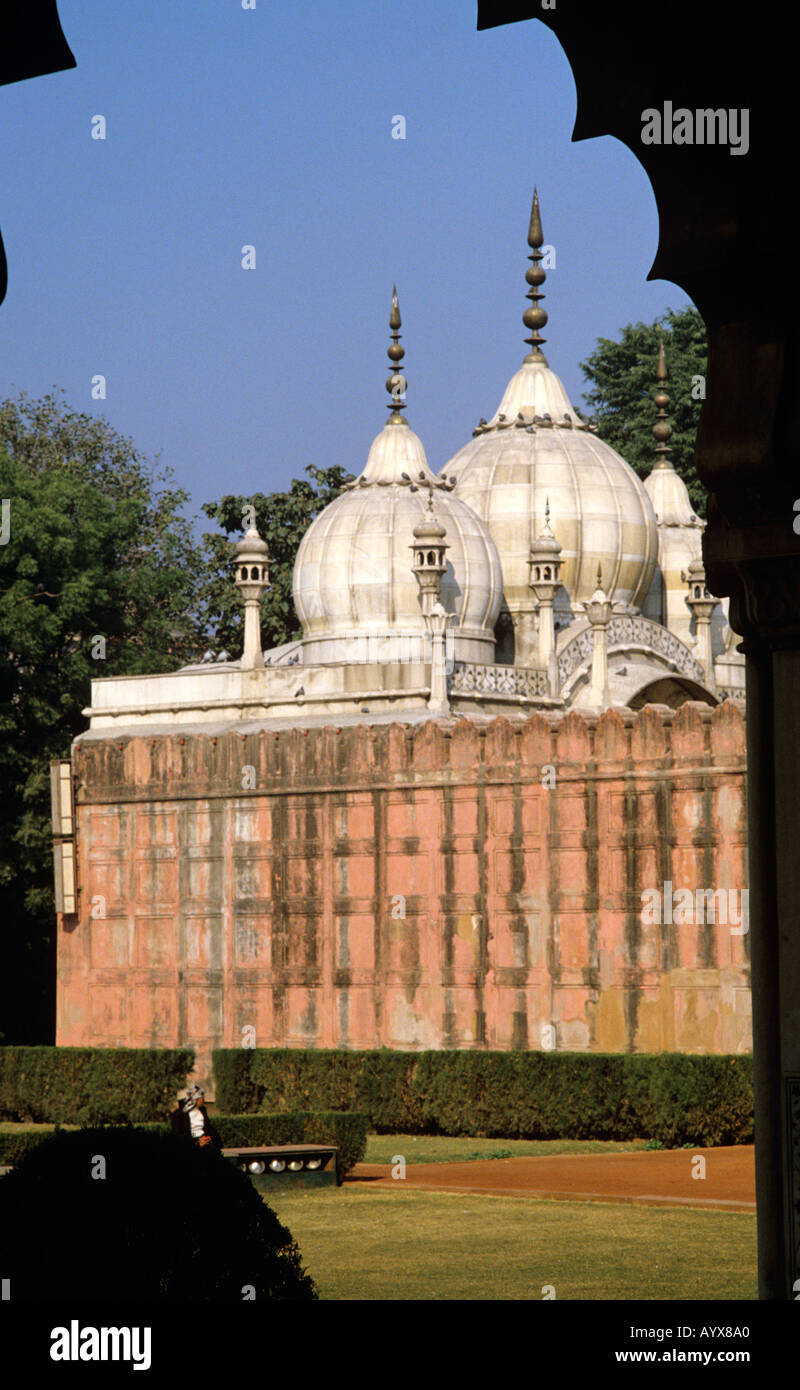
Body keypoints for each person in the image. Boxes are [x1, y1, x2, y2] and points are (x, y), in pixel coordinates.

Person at [169, 1085, 222, 1152]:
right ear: (194, 1098)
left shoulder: (202, 1110)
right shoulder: (179, 1114)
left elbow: (208, 1127)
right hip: (190, 1144)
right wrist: (196, 1142)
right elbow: (178, 1135)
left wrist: (210, 1138)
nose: (203, 1100)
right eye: (201, 1097)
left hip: (205, 1140)